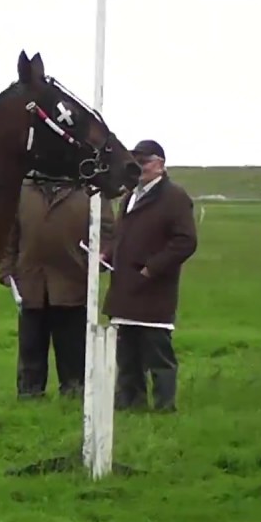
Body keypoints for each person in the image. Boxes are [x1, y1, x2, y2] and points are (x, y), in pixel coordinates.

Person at [102, 139, 198, 412]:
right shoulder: (130, 196)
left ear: (160, 164)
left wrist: (151, 268)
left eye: (144, 162)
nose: (139, 168)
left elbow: (185, 241)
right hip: (125, 289)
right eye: (135, 163)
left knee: (158, 355)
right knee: (127, 354)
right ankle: (130, 403)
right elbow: (121, 235)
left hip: (154, 291)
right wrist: (106, 255)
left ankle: (164, 407)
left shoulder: (175, 197)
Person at [0, 178, 116, 399]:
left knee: (72, 344)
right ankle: (29, 392)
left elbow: (108, 232)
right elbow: (10, 234)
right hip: (30, 282)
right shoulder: (23, 189)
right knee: (31, 345)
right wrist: (6, 270)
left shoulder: (89, 189)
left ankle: (74, 390)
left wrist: (100, 257)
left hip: (72, 281)